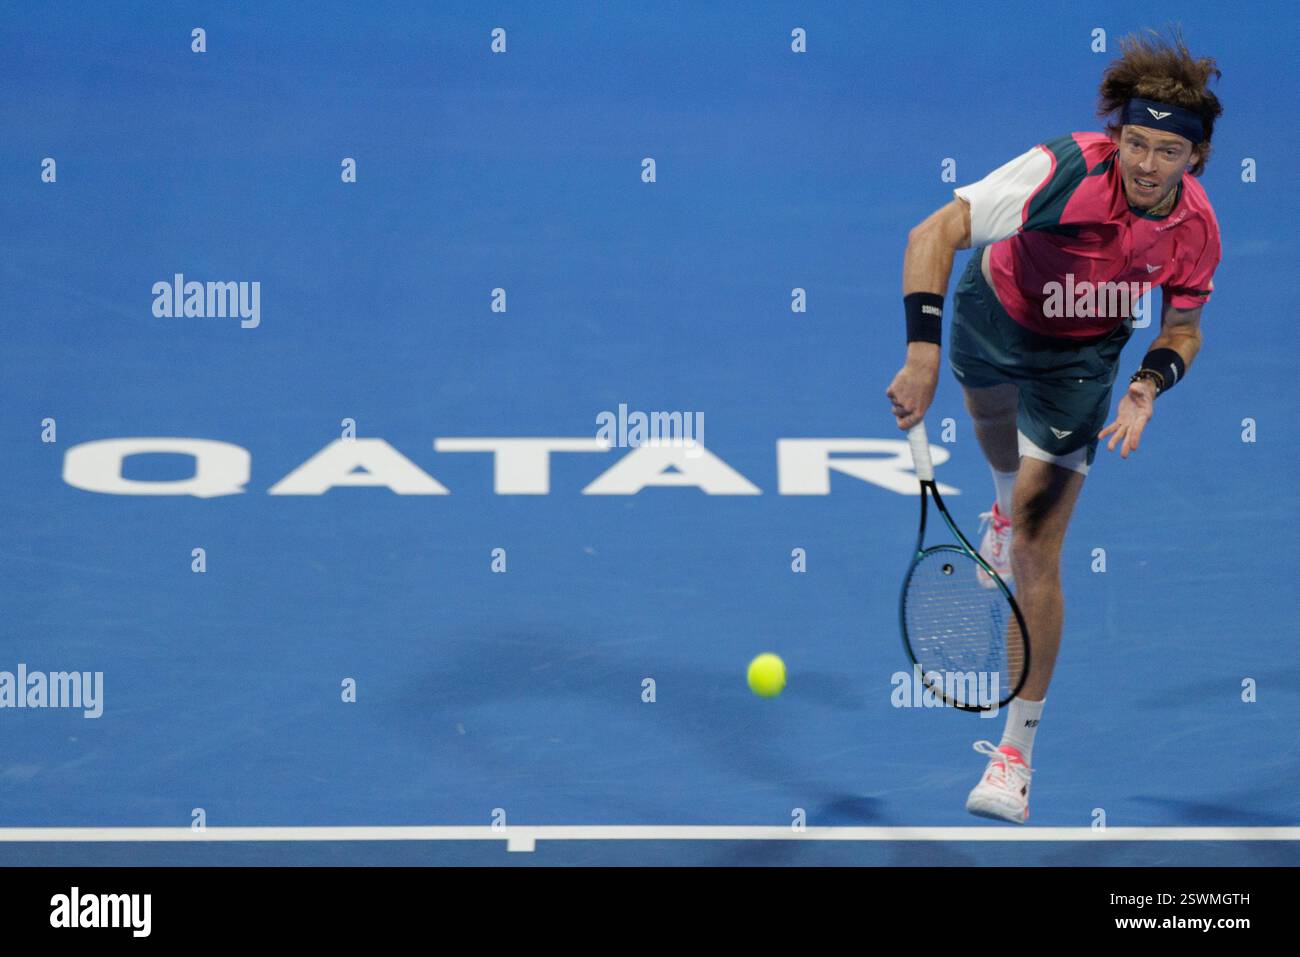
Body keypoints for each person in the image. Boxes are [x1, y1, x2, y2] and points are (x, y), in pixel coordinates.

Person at [885, 30, 1223, 823]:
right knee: (992, 421)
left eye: (1167, 150)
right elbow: (930, 234)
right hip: (992, 316)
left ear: (1196, 159)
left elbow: (1182, 329)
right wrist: (923, 356)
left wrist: (1146, 385)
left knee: (1039, 549)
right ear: (1116, 139)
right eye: (1134, 142)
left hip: (1081, 365)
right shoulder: (1061, 169)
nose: (1146, 164)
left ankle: (1014, 754)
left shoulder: (1196, 228)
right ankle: (999, 505)